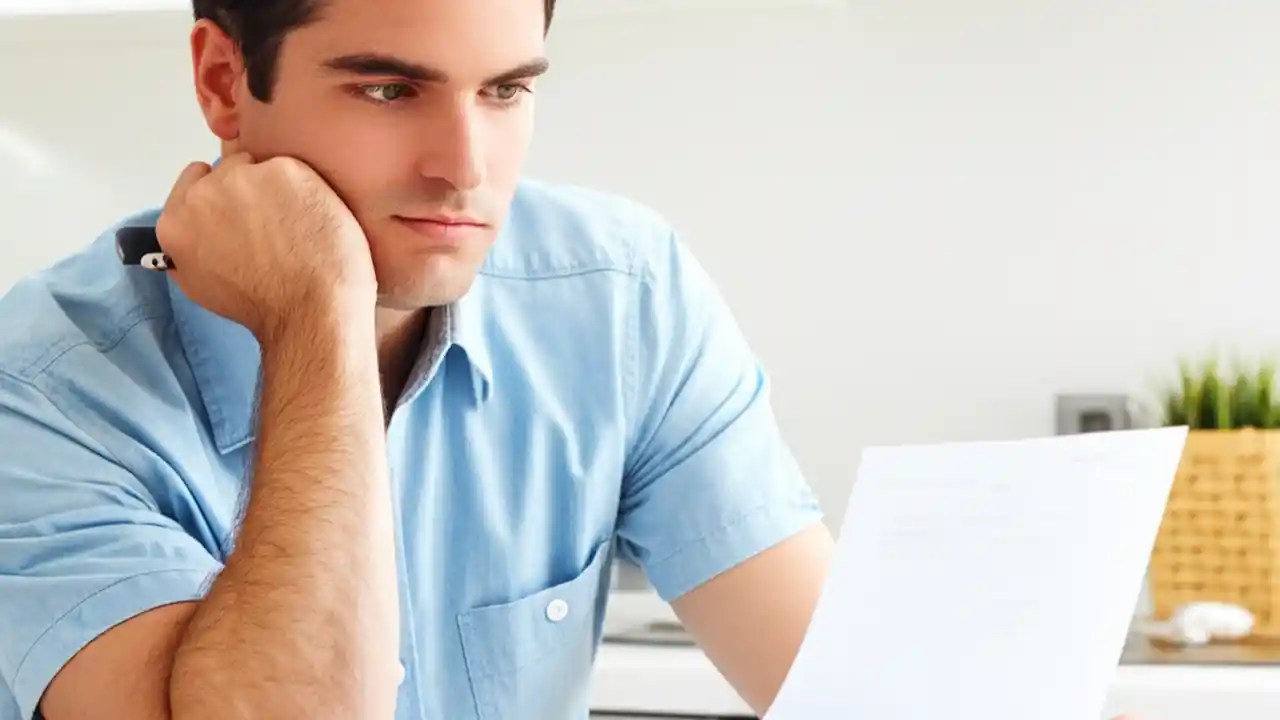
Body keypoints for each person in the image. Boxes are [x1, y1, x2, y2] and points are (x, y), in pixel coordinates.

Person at [0, 1, 836, 718]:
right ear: (224, 79)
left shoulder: (621, 296)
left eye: (505, 90)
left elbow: (851, 692)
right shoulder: (38, 393)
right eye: (389, 90)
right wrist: (316, 316)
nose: (464, 169)